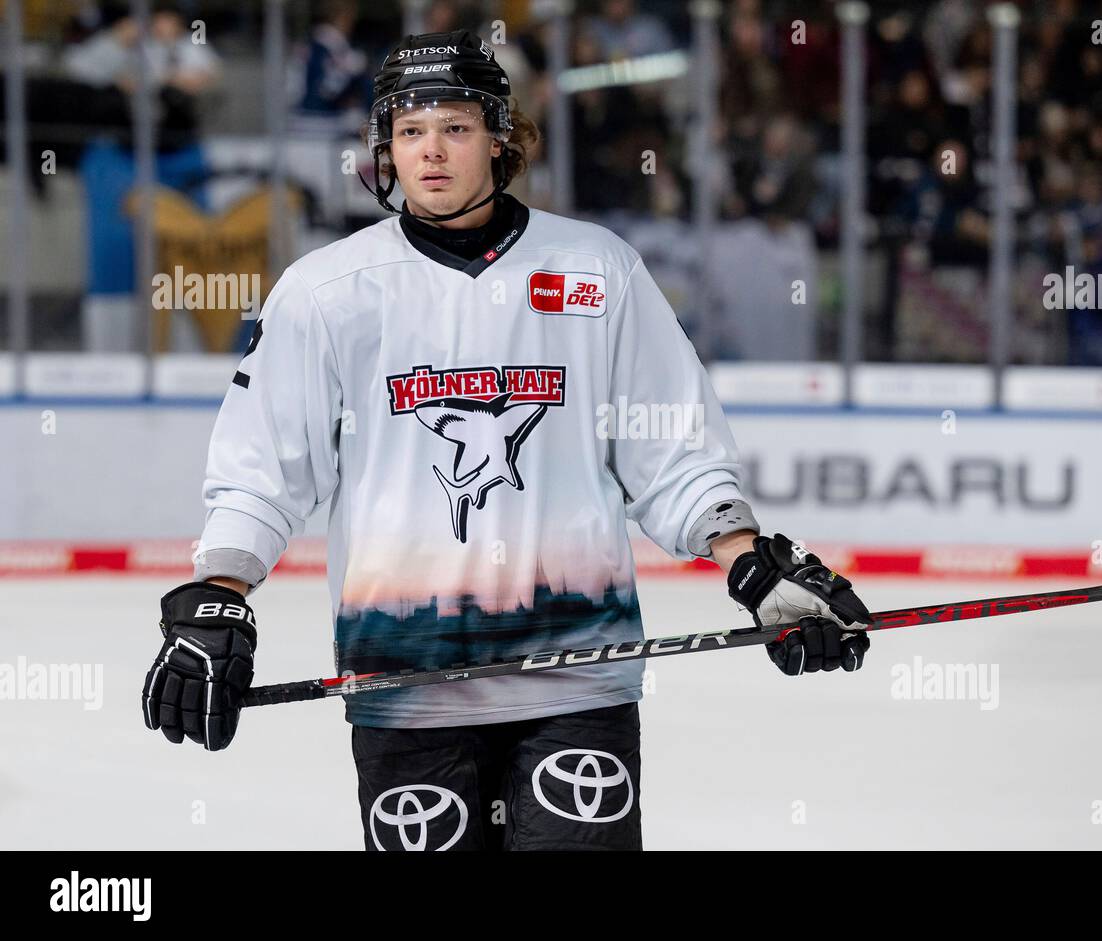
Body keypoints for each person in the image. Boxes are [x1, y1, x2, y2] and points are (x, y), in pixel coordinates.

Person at [141, 30, 872, 852]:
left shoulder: (597, 270)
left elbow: (672, 449)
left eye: (453, 127)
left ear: (498, 136)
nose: (431, 152)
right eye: (409, 132)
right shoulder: (326, 292)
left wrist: (749, 559)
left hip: (577, 676)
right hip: (405, 683)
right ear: (385, 149)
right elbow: (261, 472)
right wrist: (218, 593)